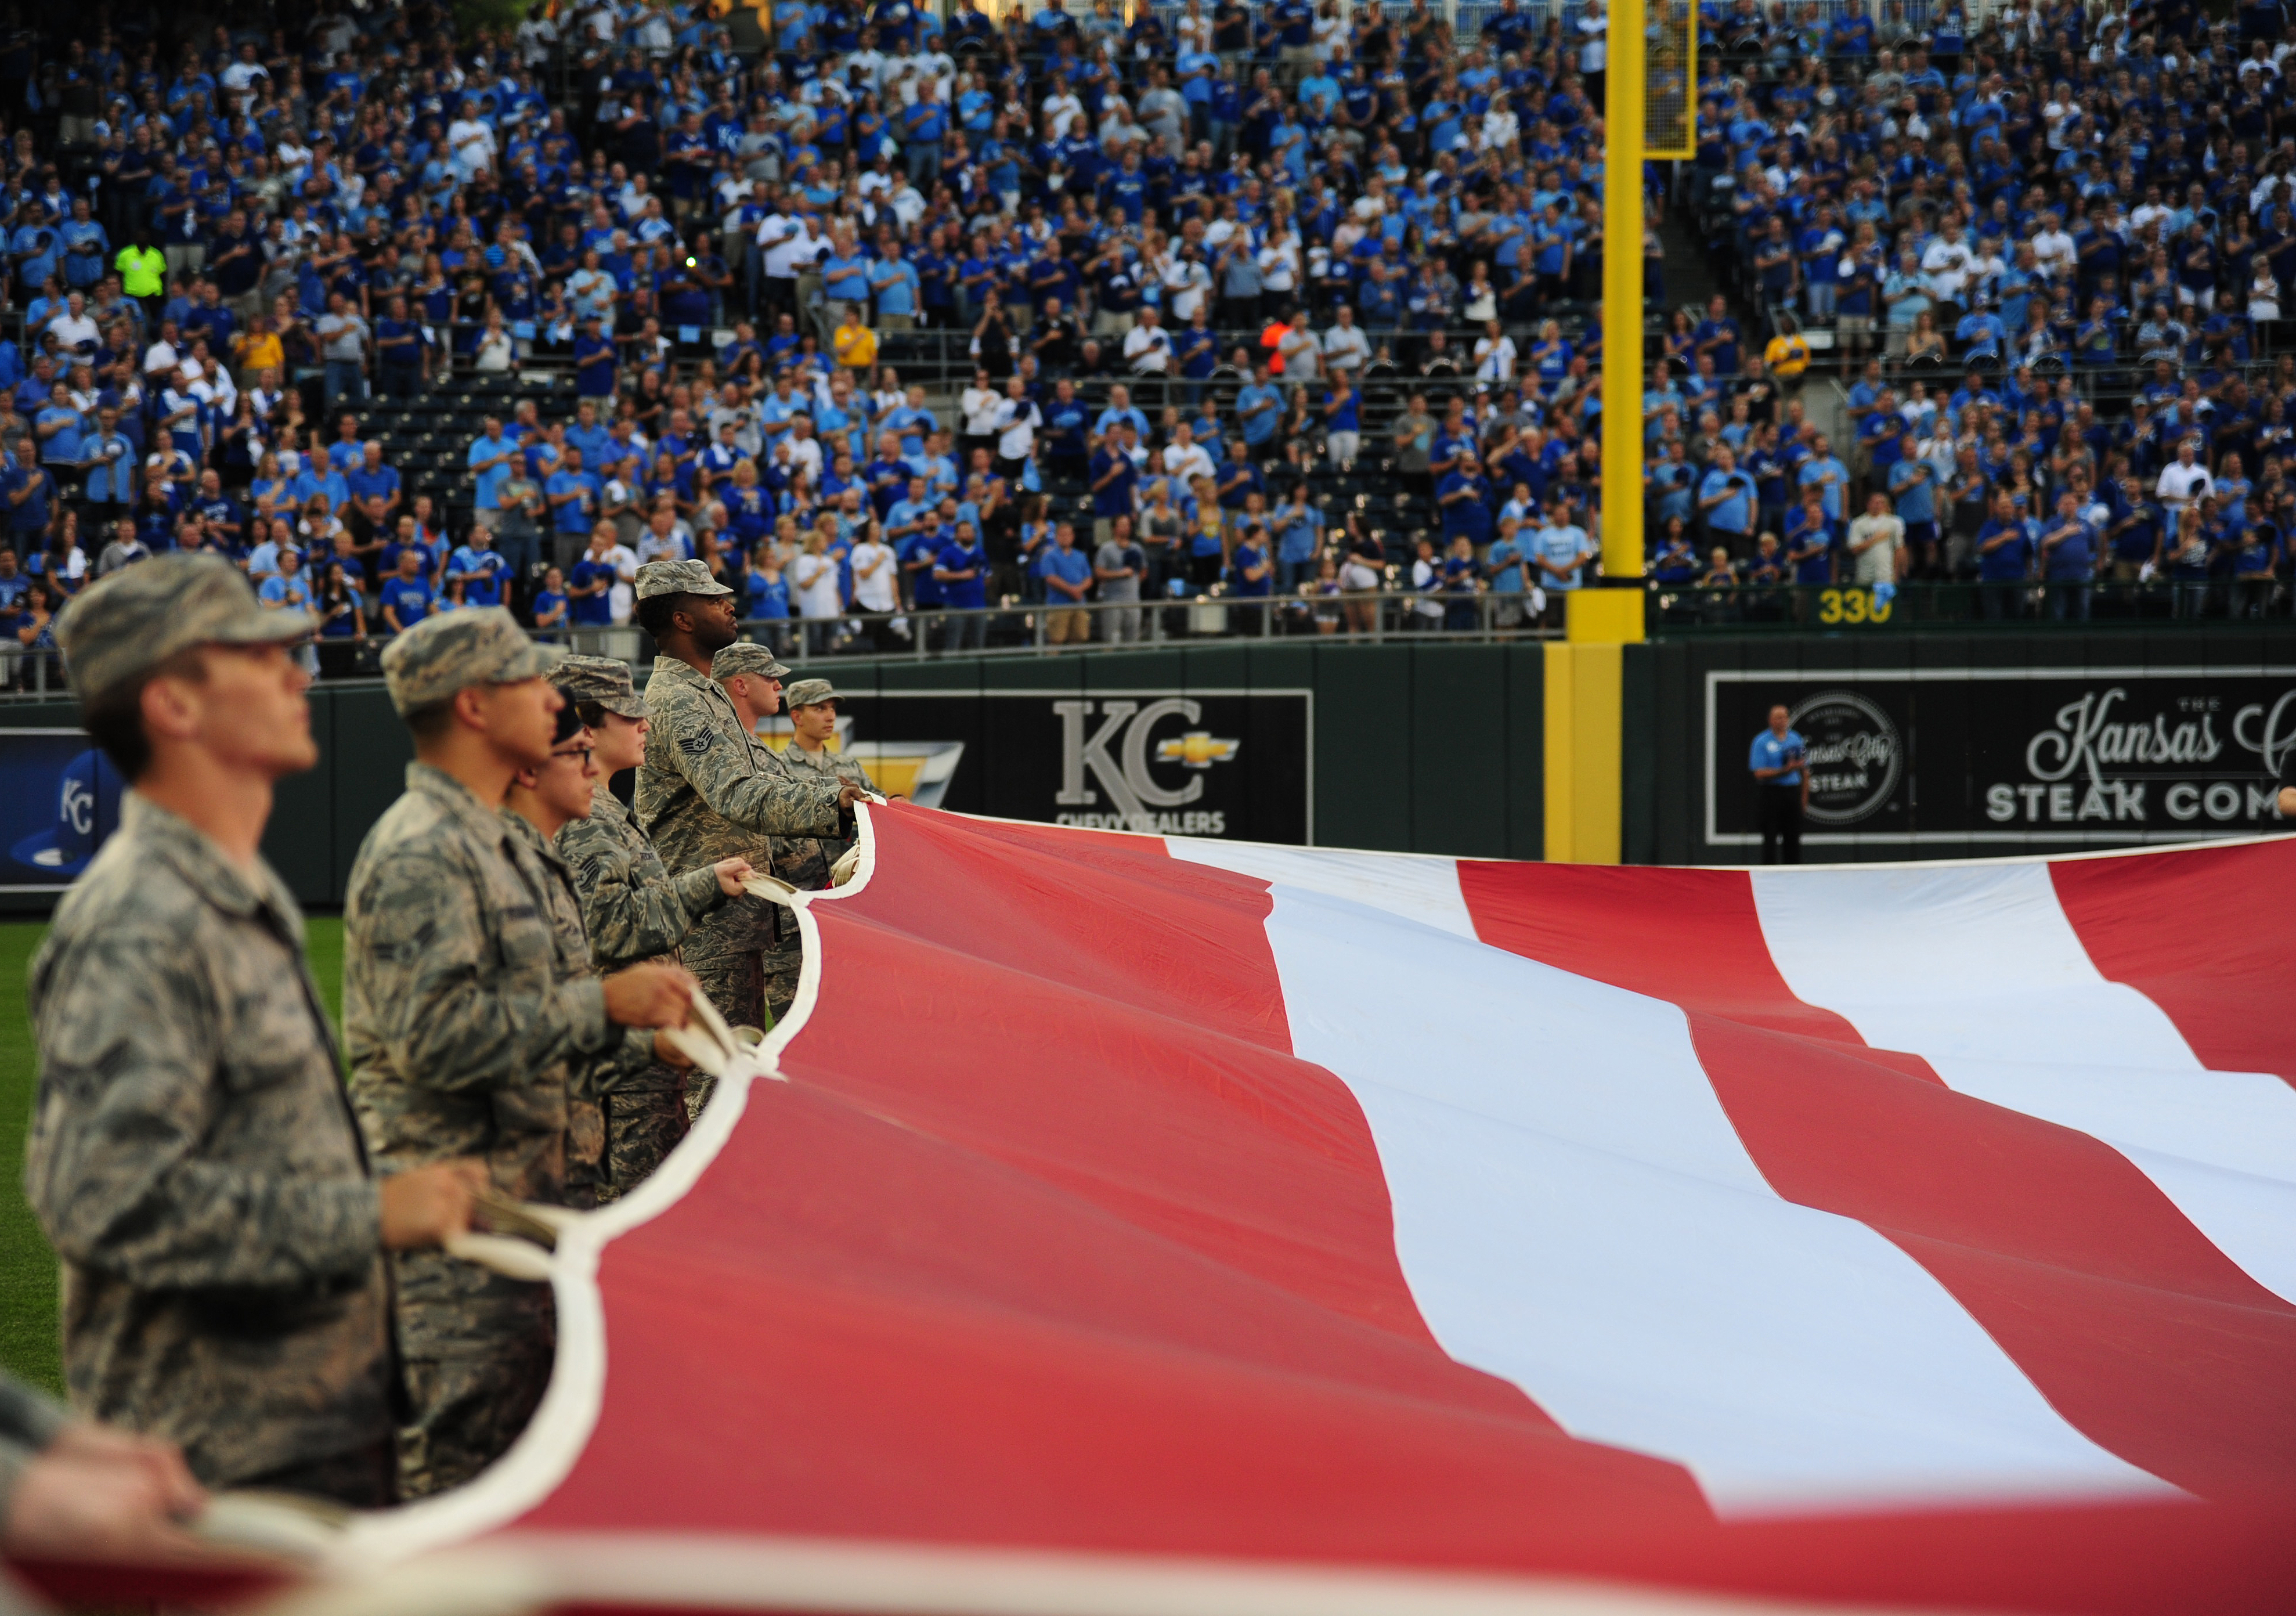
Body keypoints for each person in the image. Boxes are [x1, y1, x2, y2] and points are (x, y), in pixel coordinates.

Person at [27, 556, 483, 1506]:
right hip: (219, 1468)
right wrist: (369, 1214)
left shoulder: (231, 884)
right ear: (174, 705)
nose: (296, 675)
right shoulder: (141, 917)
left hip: (310, 1436)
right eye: (258, 655)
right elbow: (110, 1199)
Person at [345, 609, 697, 1498]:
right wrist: (602, 1004)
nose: (552, 699)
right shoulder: (425, 850)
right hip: (460, 1238)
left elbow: (536, 1038)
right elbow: (433, 1039)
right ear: (473, 706)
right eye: (527, 682)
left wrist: (636, 1039)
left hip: (532, 1210)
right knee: (461, 1486)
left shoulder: (503, 842)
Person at [637, 561, 859, 1069]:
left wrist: (847, 801)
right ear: (682, 620)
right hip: (707, 926)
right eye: (713, 601)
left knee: (739, 1072)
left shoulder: (705, 694)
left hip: (735, 922)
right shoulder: (677, 700)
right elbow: (737, 796)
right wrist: (835, 804)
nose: (729, 606)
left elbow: (764, 787)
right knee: (716, 1085)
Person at [552, 656, 751, 1192]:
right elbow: (608, 927)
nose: (645, 723)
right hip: (622, 1066)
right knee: (634, 1208)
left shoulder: (604, 807)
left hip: (642, 1052)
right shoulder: (583, 817)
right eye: (628, 715)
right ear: (584, 726)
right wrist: (702, 888)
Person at [769, 676, 883, 888]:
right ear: (797, 717)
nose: (831, 716)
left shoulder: (848, 766)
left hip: (849, 884)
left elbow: (879, 804)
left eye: (832, 709)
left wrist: (894, 801)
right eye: (820, 709)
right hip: (802, 889)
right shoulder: (778, 768)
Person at [1749, 703, 1808, 865]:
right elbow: (1758, 772)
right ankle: (1769, 872)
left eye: (1784, 717)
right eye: (1778, 718)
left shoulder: (1795, 739)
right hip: (1771, 793)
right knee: (1770, 836)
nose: (1782, 721)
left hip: (1792, 793)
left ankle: (1794, 872)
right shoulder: (1762, 741)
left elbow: (1805, 770)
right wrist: (1784, 770)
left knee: (1793, 837)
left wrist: (1804, 799)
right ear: (1770, 720)